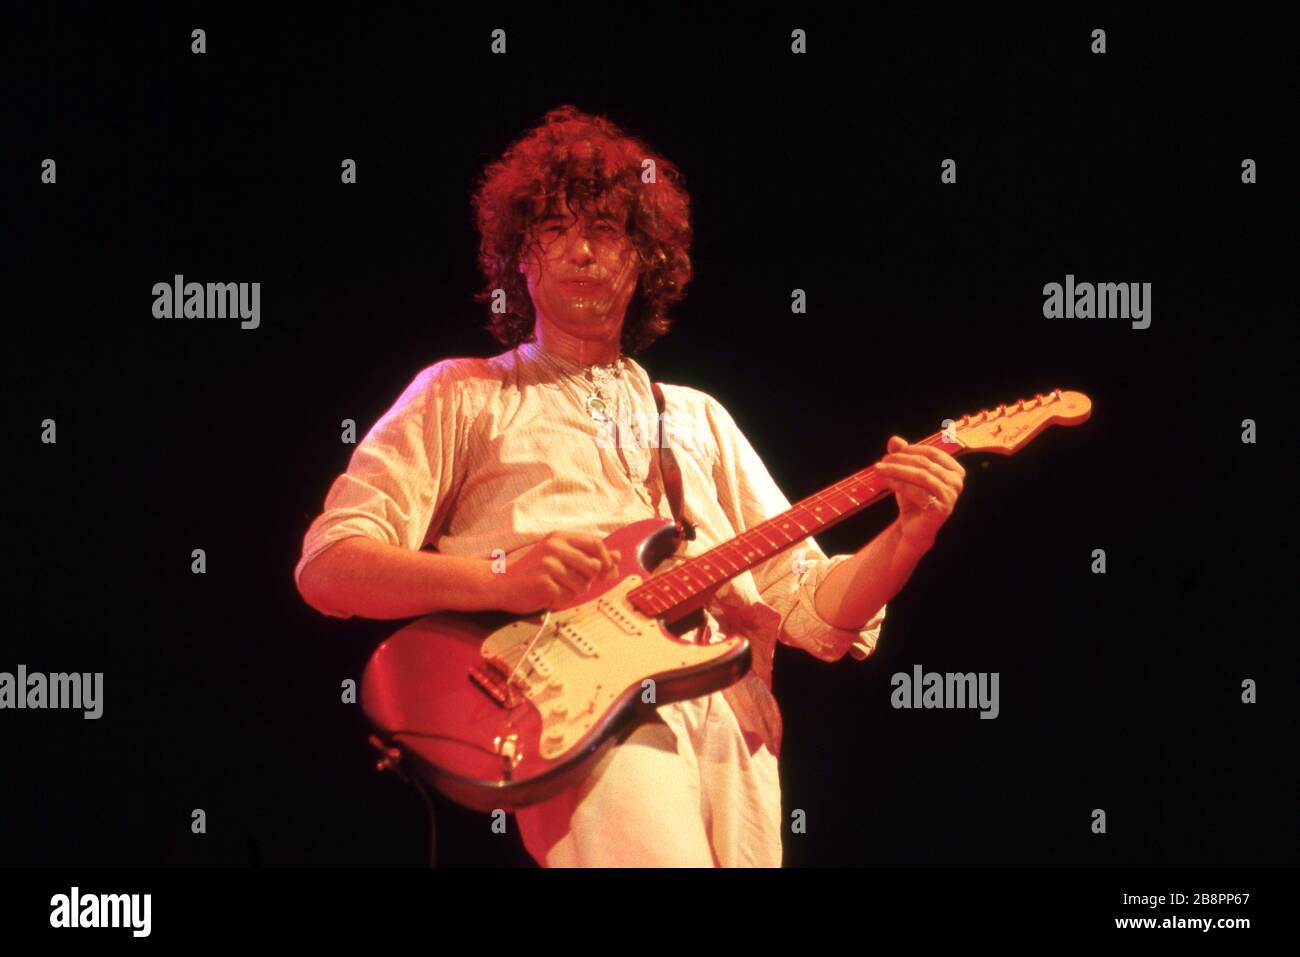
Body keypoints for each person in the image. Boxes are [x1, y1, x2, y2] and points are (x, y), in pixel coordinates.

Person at [294, 105, 966, 867]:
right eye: (553, 229)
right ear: (520, 256)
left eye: (607, 231)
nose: (581, 250)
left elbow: (816, 610)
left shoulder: (699, 417)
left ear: (643, 259)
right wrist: (499, 576)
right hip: (585, 716)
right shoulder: (461, 394)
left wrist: (909, 534)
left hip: (734, 723)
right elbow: (329, 565)